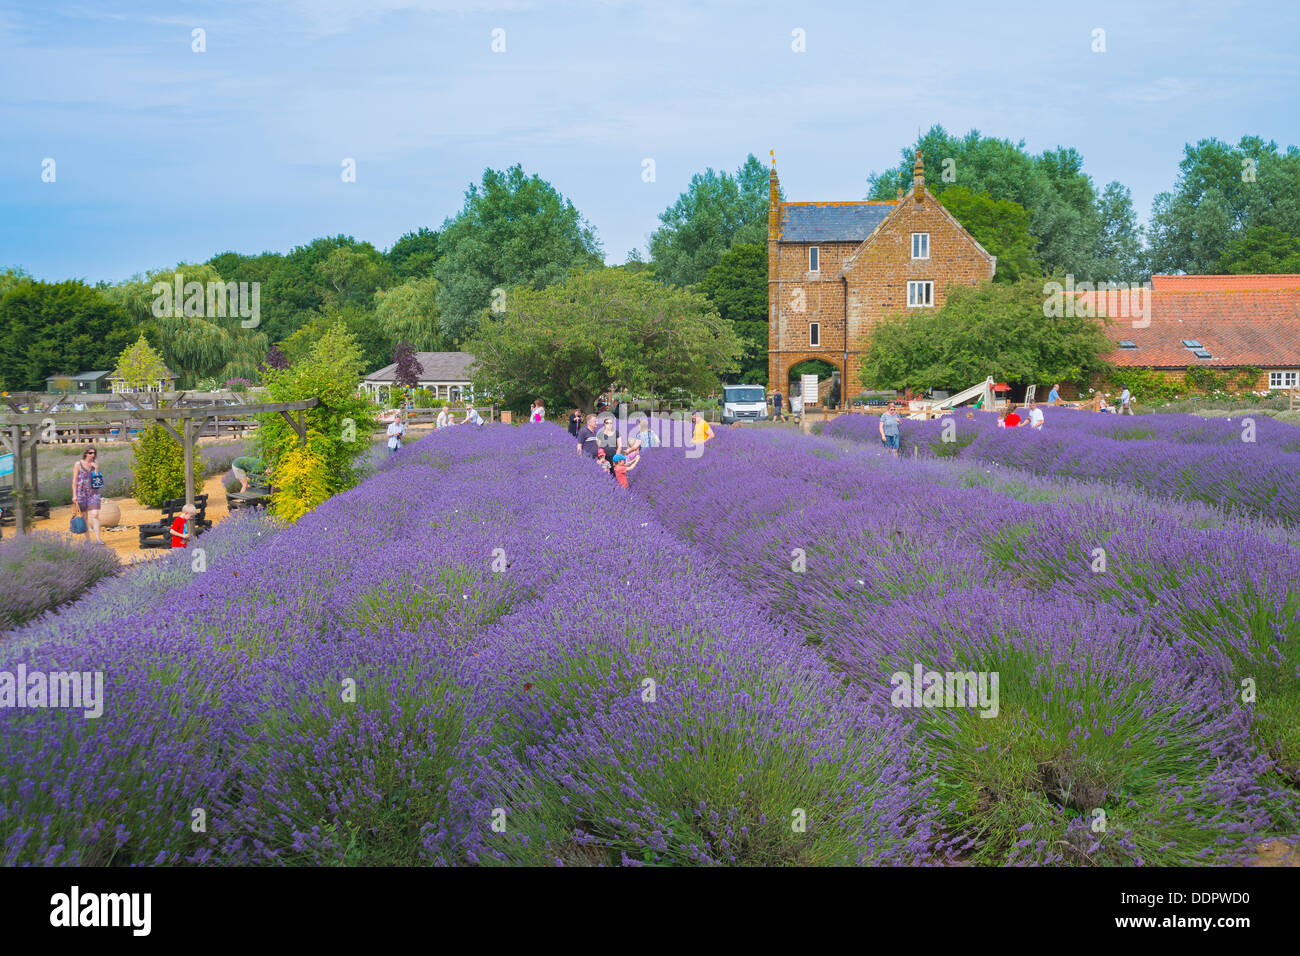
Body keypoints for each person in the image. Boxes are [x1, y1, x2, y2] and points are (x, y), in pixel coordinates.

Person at [71, 446, 105, 543]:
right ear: (85, 453)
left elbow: (97, 480)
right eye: (90, 453)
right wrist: (74, 495)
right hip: (81, 492)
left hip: (93, 492)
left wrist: (96, 469)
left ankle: (98, 539)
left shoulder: (95, 464)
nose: (92, 455)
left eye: (94, 453)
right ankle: (88, 539)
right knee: (85, 516)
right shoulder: (78, 464)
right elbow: (74, 480)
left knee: (95, 514)